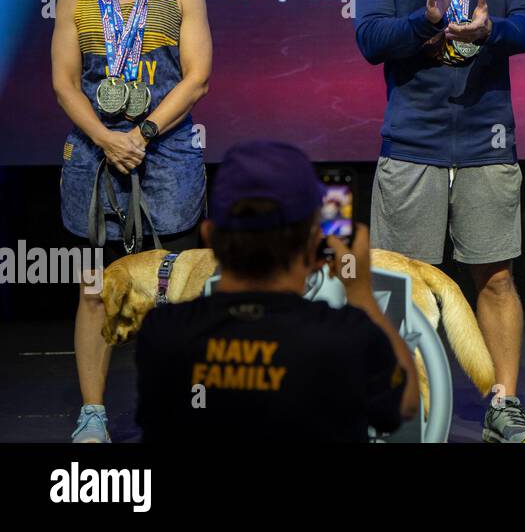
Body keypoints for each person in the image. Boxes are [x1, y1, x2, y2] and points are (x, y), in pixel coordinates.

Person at [352, 0, 525, 442]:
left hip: (489, 135)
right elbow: (370, 41)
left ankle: (503, 404)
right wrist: (423, 20)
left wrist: (489, 33)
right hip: (412, 141)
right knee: (402, 282)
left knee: (496, 276)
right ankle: (403, 408)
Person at [51, 0, 210, 443]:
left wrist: (141, 131)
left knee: (176, 288)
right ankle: (93, 414)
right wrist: (107, 137)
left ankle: (179, 405)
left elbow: (197, 78)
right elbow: (66, 85)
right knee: (95, 287)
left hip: (165, 157)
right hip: (96, 159)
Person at [134, 141, 418, 442]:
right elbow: (406, 403)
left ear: (209, 237)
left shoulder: (164, 333)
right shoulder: (345, 336)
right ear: (313, 242)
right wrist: (360, 291)